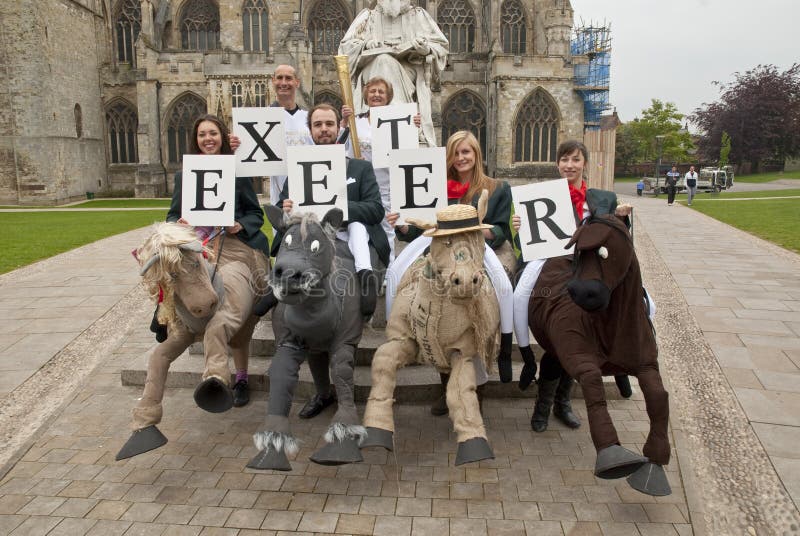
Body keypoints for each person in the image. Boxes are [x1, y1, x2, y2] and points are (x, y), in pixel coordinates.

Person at [386, 130, 515, 416]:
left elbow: (502, 229)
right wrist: (404, 226)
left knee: (503, 288)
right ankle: (445, 385)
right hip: (445, 256)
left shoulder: (496, 188)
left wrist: (483, 231)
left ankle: (505, 346)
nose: (461, 158)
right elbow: (423, 227)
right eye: (456, 153)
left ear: (476, 155)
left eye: (466, 152)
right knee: (401, 278)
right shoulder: (438, 187)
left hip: (478, 251)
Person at [278, 103, 390, 419]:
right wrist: (286, 207)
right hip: (308, 250)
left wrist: (337, 210)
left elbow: (375, 210)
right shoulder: (298, 169)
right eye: (318, 125)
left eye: (329, 124)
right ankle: (321, 391)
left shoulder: (359, 169)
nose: (324, 129)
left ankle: (366, 283)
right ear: (311, 131)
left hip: (348, 246)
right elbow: (282, 213)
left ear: (338, 129)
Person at [166, 114, 273, 408]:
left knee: (236, 312)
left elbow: (256, 214)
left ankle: (240, 376)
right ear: (195, 140)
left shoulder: (236, 172)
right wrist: (181, 222)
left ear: (222, 137)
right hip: (199, 248)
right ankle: (163, 318)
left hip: (234, 246)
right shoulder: (184, 176)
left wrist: (240, 224)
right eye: (202, 135)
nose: (208, 139)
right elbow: (172, 216)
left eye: (213, 133)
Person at [338, 0, 448, 147]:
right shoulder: (368, 17)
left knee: (386, 61)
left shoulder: (418, 16)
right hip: (372, 68)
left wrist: (425, 49)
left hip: (408, 70)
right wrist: (365, 45)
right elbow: (344, 50)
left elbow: (441, 47)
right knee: (384, 60)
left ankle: (384, 124)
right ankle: (399, 123)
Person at [340, 76, 421, 262]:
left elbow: (408, 155)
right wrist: (344, 123)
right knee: (355, 229)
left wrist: (412, 126)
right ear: (366, 95)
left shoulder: (400, 121)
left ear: (388, 97)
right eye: (372, 91)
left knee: (387, 228)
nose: (376, 94)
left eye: (381, 91)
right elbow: (337, 149)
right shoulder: (355, 122)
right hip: (358, 186)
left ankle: (389, 271)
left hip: (386, 185)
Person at [268, 64, 314, 205]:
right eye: (279, 78)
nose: (283, 83)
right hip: (279, 186)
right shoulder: (262, 119)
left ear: (297, 82)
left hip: (310, 184)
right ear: (273, 81)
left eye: (288, 78)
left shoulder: (310, 118)